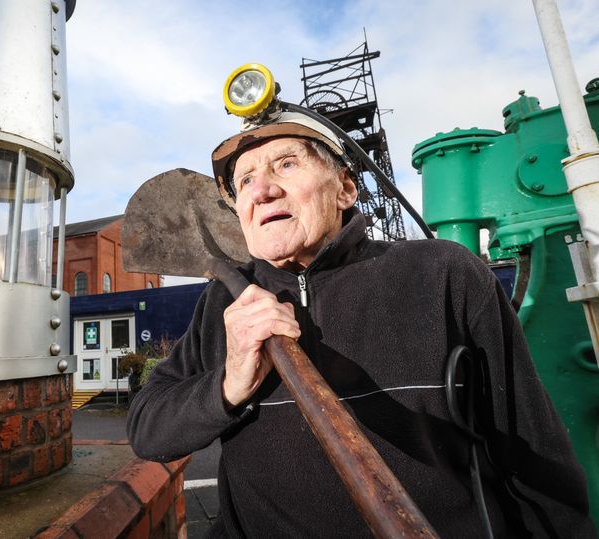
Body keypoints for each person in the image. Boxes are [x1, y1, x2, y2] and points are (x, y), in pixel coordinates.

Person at [126, 111, 596, 538]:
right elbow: (149, 430)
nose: (262, 189)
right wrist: (229, 384)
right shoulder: (224, 304)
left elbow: (534, 456)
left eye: (286, 165)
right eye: (245, 180)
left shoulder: (442, 273)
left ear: (346, 189)